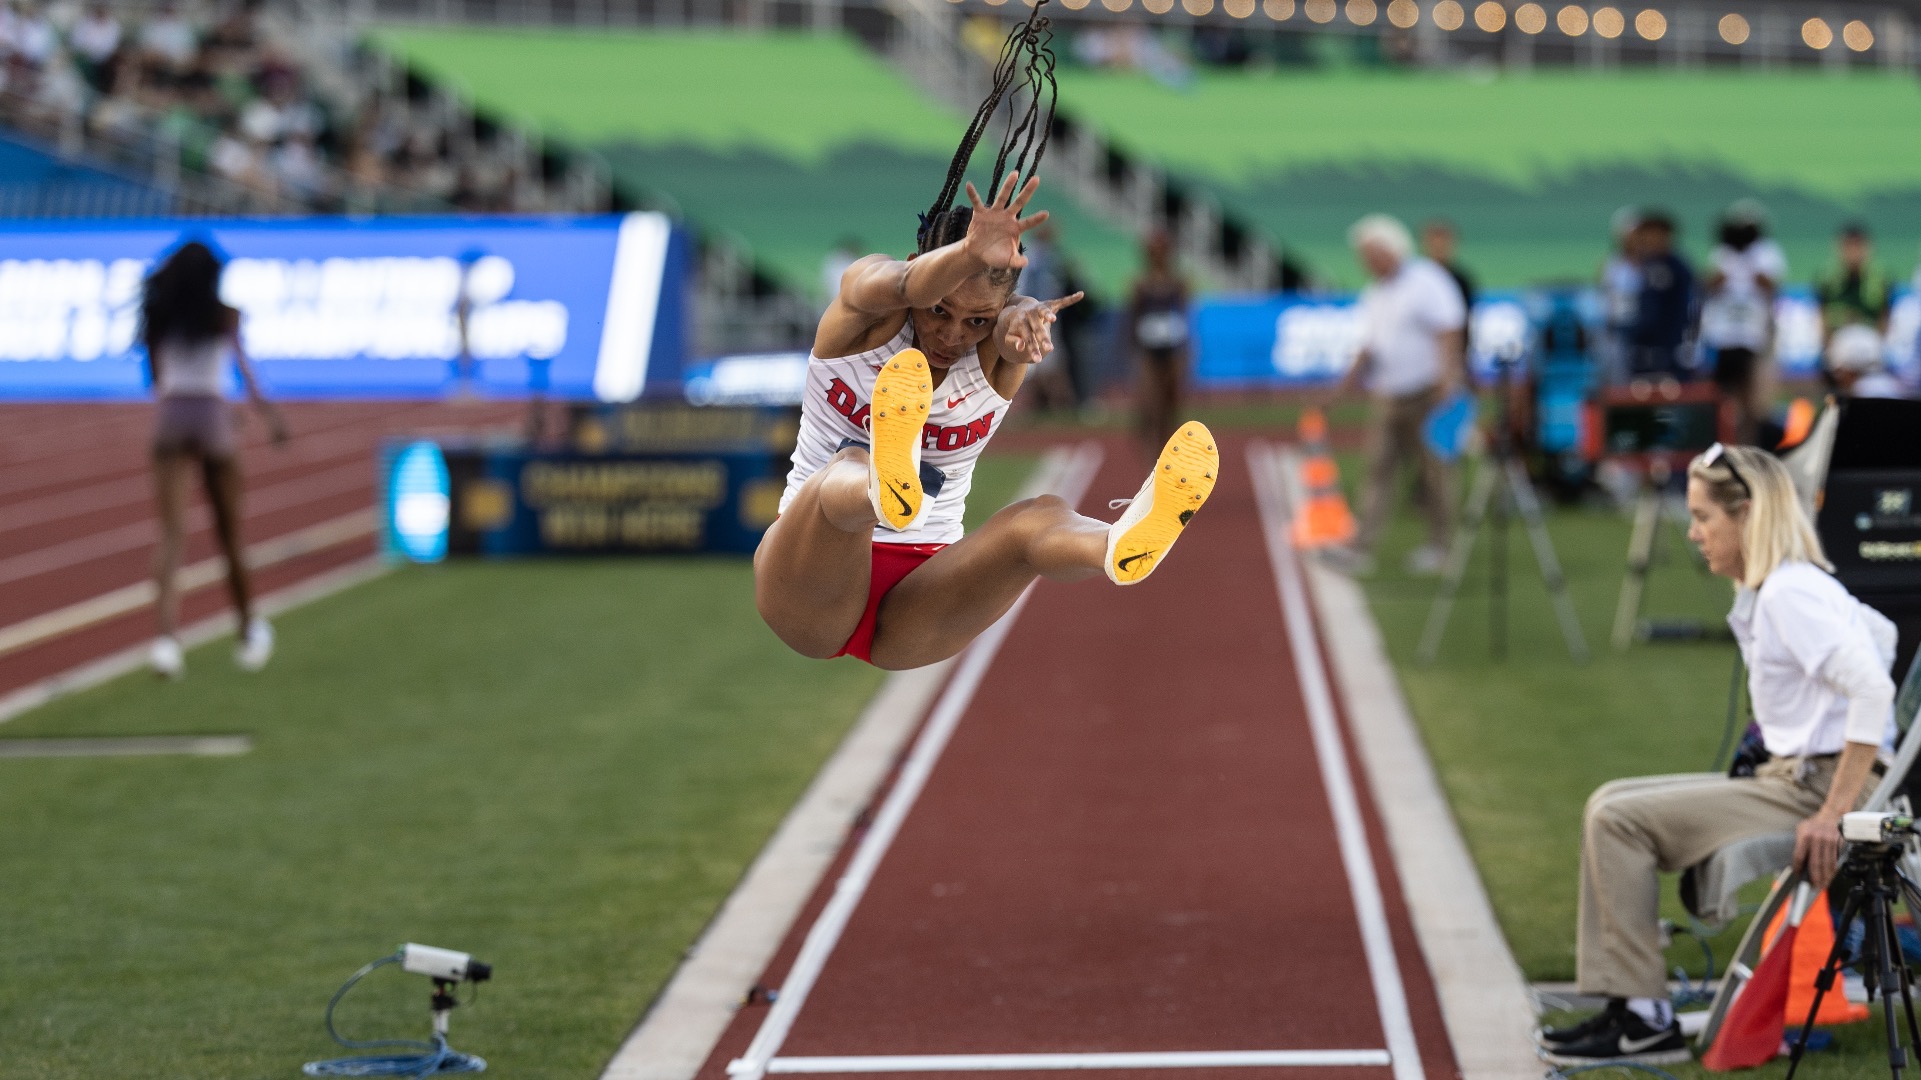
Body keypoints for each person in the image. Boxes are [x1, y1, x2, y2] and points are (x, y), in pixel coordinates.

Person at [755, 10, 1219, 671]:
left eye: (973, 322)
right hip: (810, 584)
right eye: (940, 313)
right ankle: (883, 489)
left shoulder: (1002, 341)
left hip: (923, 591)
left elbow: (1009, 316)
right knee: (843, 475)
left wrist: (1015, 316)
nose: (950, 334)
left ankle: (1116, 546)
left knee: (1037, 516)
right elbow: (899, 282)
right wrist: (972, 249)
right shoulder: (864, 310)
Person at [1539, 444, 1897, 1067]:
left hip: (1821, 786)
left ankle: (1643, 1018)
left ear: (1749, 516)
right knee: (1612, 803)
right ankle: (1633, 1008)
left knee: (1616, 820)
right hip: (1808, 772)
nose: (1692, 532)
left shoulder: (1790, 594)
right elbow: (1884, 636)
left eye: (1705, 517)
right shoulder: (1789, 586)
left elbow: (1872, 685)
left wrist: (1833, 813)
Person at [141, 240, 287, 679]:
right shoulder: (225, 314)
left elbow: (157, 379)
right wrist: (267, 418)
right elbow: (243, 372)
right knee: (229, 534)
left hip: (170, 417)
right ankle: (247, 630)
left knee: (170, 536)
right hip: (210, 414)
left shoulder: (158, 314)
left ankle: (166, 642)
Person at [1325, 213, 1466, 577]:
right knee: (1378, 468)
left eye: (1371, 253)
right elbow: (1369, 346)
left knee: (1434, 473)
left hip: (1427, 393)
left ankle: (1440, 546)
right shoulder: (1375, 293)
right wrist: (1343, 388)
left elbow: (1449, 328)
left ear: (1391, 249)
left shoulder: (1426, 280)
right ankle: (1361, 546)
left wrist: (1447, 380)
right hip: (1388, 394)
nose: (1366, 262)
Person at [1699, 200, 1786, 444]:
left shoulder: (1766, 252)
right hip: (1724, 335)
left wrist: (1748, 265)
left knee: (1753, 397)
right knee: (1724, 394)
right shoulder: (1722, 253)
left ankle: (1751, 443)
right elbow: (1710, 284)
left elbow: (1771, 285)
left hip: (1752, 334)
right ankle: (1725, 441)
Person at [1125, 229, 1190, 454]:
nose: (1158, 255)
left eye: (1162, 251)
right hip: (1148, 350)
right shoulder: (1141, 284)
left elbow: (1185, 318)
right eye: (1154, 251)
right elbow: (1132, 320)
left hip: (1172, 349)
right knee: (1150, 402)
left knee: (1171, 402)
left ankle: (1169, 448)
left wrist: (1185, 353)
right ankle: (1152, 450)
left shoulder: (1178, 283)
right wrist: (1134, 351)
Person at [1627, 211, 1694, 383]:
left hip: (1671, 343)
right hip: (1645, 343)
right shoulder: (1646, 265)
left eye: (1653, 234)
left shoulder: (1678, 267)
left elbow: (1688, 307)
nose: (1648, 239)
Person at [1598, 206, 1643, 386]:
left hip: (1645, 331)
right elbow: (1604, 298)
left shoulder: (1651, 266)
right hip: (1619, 331)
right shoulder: (1611, 266)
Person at [1827, 324, 1909, 400]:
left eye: (1839, 371)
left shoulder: (1861, 394)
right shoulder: (1893, 388)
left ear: (1850, 369)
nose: (1837, 377)